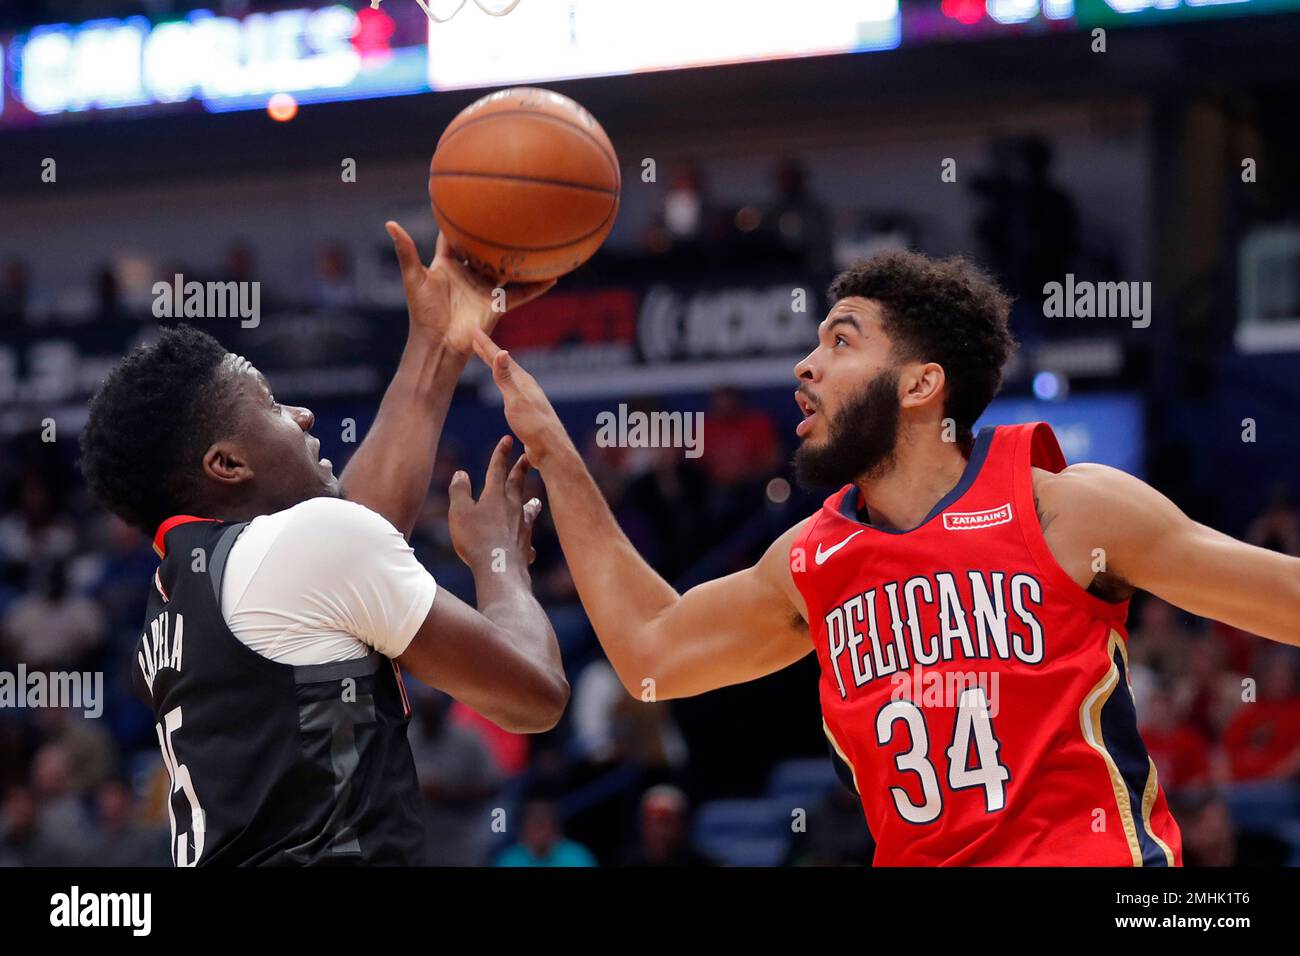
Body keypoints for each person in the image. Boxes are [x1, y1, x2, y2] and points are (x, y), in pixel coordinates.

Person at [473, 249, 1300, 867]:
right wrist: (553, 447)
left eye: (840, 341)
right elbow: (652, 649)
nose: (805, 365)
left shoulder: (1063, 505)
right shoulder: (812, 558)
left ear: (918, 386)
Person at [77, 224, 568, 866]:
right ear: (226, 464)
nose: (303, 415)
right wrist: (499, 562)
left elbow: (357, 531)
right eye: (273, 405)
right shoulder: (300, 554)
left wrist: (440, 339)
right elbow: (534, 696)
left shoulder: (178, 593)